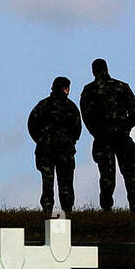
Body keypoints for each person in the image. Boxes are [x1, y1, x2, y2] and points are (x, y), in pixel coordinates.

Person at [79, 58, 135, 213]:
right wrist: (126, 128)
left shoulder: (89, 90)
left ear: (93, 71)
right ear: (107, 68)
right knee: (130, 171)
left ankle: (107, 208)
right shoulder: (122, 87)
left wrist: (97, 133)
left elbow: (86, 116)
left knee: (107, 175)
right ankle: (133, 205)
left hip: (102, 139)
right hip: (122, 137)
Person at [26, 76, 81, 215]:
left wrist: (40, 140)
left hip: (45, 151)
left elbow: (31, 124)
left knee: (47, 182)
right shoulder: (71, 107)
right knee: (66, 183)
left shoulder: (43, 105)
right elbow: (77, 129)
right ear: (66, 89)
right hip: (65, 152)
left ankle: (47, 210)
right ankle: (67, 212)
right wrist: (70, 142)